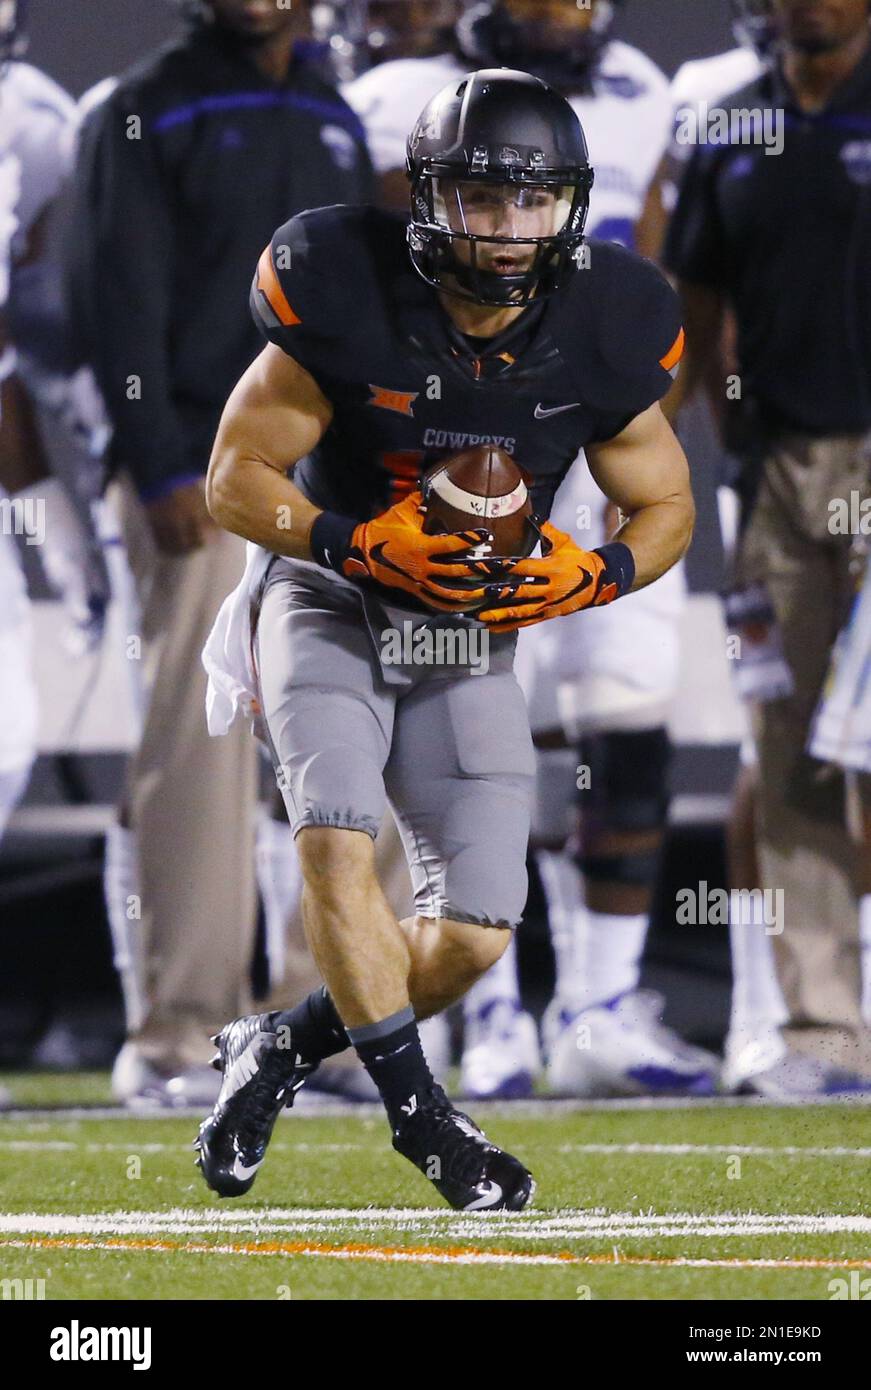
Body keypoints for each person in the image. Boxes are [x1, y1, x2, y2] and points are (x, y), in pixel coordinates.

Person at [194, 68, 693, 1210]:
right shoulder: (343, 287)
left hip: (468, 627)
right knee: (335, 832)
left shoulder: (608, 324)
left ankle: (277, 1044)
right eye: (479, 197)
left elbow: (665, 504)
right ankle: (428, 1125)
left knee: (471, 934)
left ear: (570, 205)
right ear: (427, 197)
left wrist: (599, 572)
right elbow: (235, 478)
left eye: (532, 202)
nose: (508, 230)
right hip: (329, 595)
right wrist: (358, 542)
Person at [349, 0, 710, 1098]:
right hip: (449, 471)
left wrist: (615, 478)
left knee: (626, 721)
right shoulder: (387, 106)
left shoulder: (649, 92)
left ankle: (598, 1003)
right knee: (458, 737)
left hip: (587, 459)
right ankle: (485, 1005)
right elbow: (373, 316)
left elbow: (653, 298)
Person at [67, 0, 374, 1105]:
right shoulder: (147, 105)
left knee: (341, 739)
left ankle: (326, 1023)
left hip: (330, 476)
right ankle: (182, 1030)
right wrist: (156, 465)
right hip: (201, 471)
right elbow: (112, 292)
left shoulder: (336, 111)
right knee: (200, 757)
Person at [665, 0, 871, 1088]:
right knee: (784, 743)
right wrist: (686, 441)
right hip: (778, 473)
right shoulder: (728, 128)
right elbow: (691, 300)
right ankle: (823, 1024)